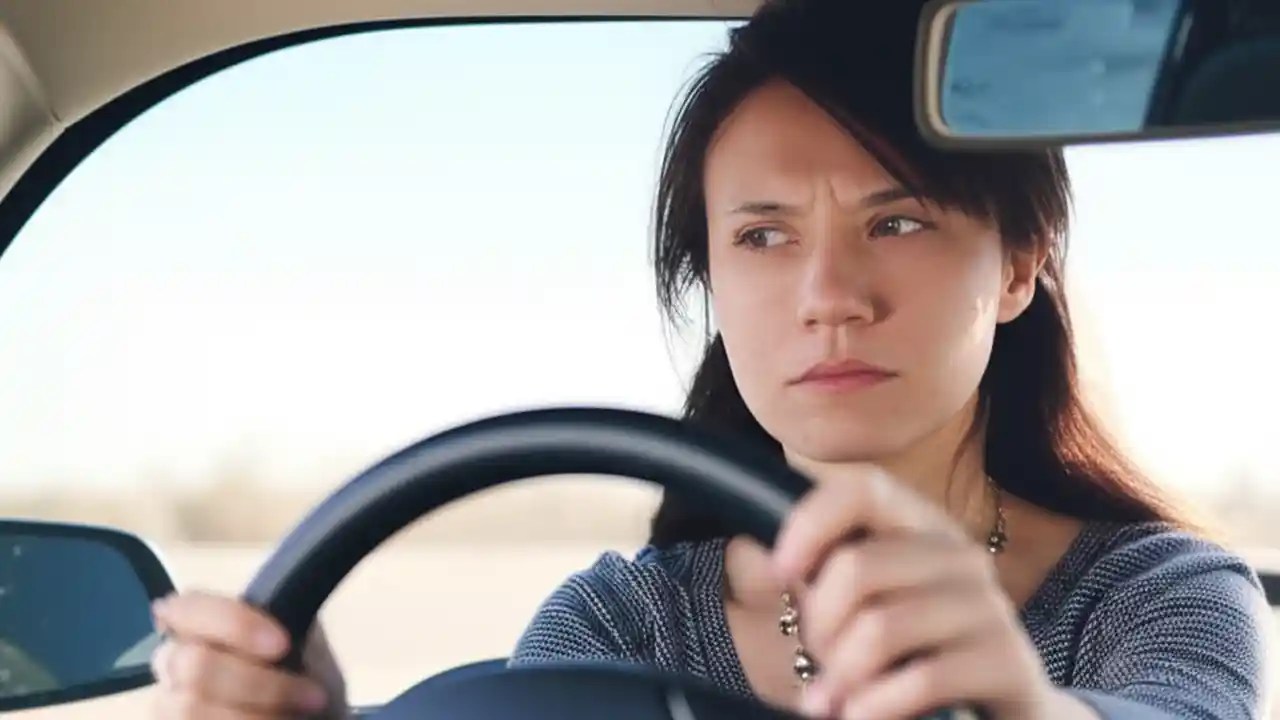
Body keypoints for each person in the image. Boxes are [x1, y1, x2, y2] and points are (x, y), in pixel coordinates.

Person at [147, 1, 1273, 718]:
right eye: (762, 236)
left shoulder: (1155, 591)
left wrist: (1022, 709)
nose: (829, 297)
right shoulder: (618, 626)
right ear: (713, 287)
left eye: (897, 221)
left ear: (1020, 263)